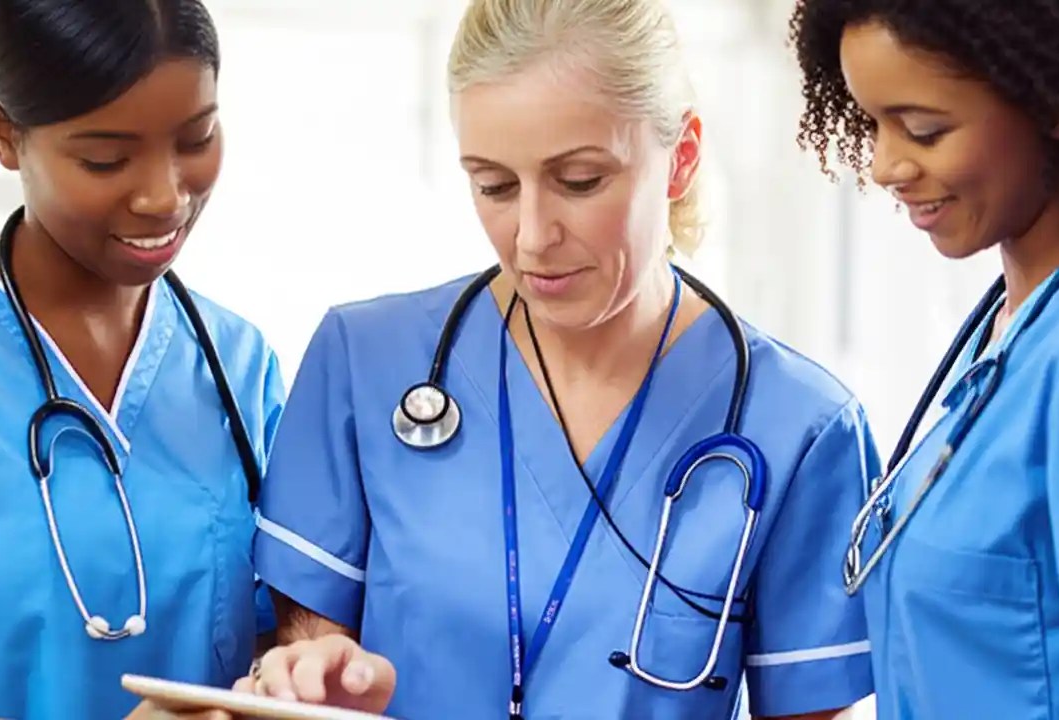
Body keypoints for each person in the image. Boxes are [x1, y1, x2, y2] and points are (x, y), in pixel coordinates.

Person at [235, 1, 879, 718]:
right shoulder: (366, 365)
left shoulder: (800, 428)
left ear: (681, 158)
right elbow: (305, 658)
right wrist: (306, 678)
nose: (533, 237)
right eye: (494, 186)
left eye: (578, 181)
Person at [0, 1, 285, 718]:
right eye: (105, 159)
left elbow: (271, 642)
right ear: (0, 133)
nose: (164, 195)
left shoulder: (238, 365)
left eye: (196, 138)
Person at [789, 1, 1059, 718]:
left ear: (1053, 104)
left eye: (924, 130)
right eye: (871, 124)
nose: (885, 165)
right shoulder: (1022, 324)